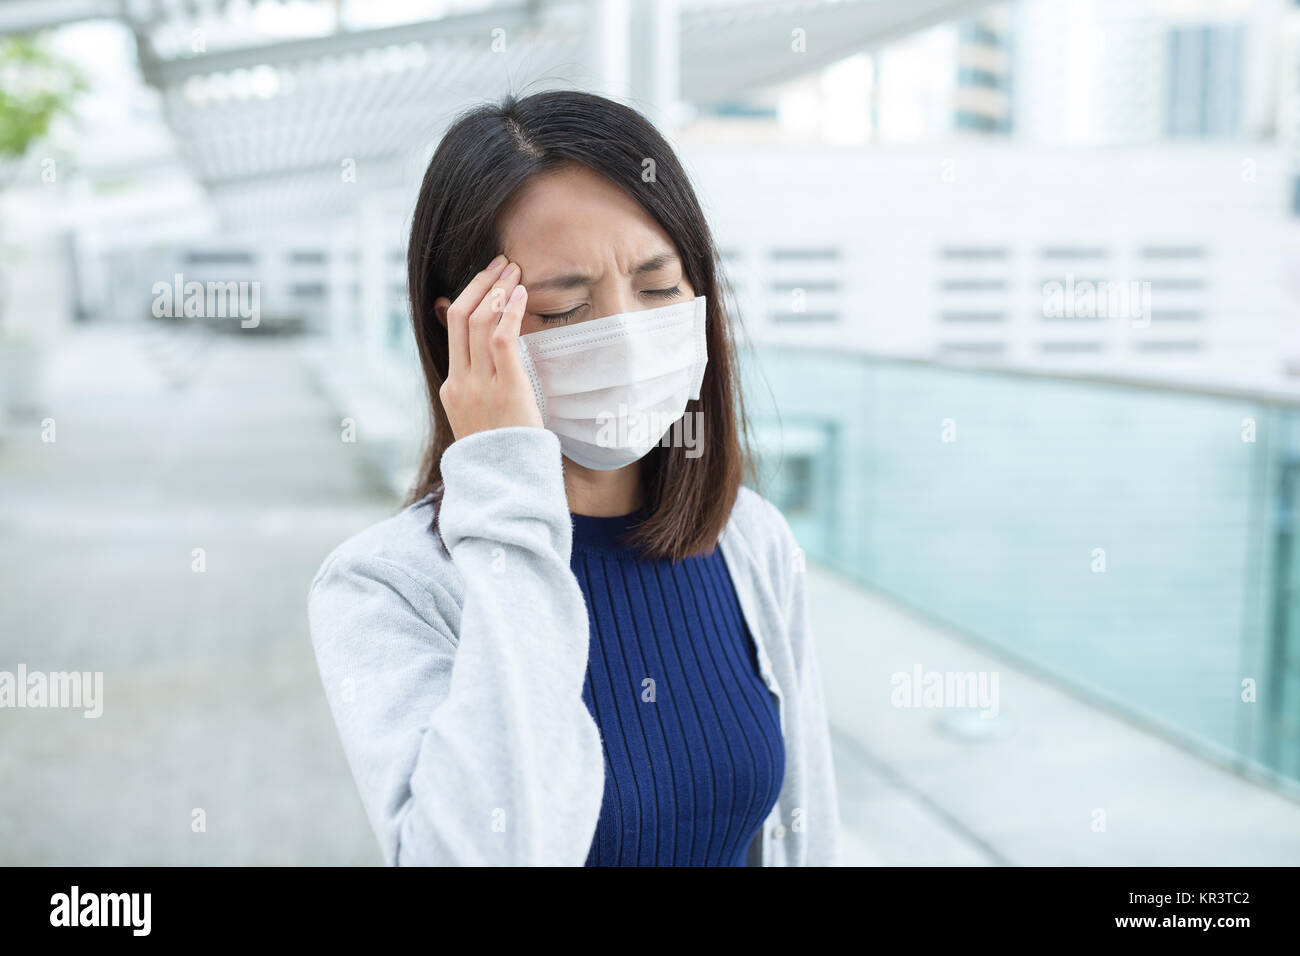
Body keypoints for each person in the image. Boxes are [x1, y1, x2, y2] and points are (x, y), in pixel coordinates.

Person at [307, 89, 839, 866]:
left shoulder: (751, 542)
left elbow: (805, 829)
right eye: (561, 308)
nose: (624, 338)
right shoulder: (385, 588)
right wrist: (506, 493)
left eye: (659, 290)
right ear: (460, 329)